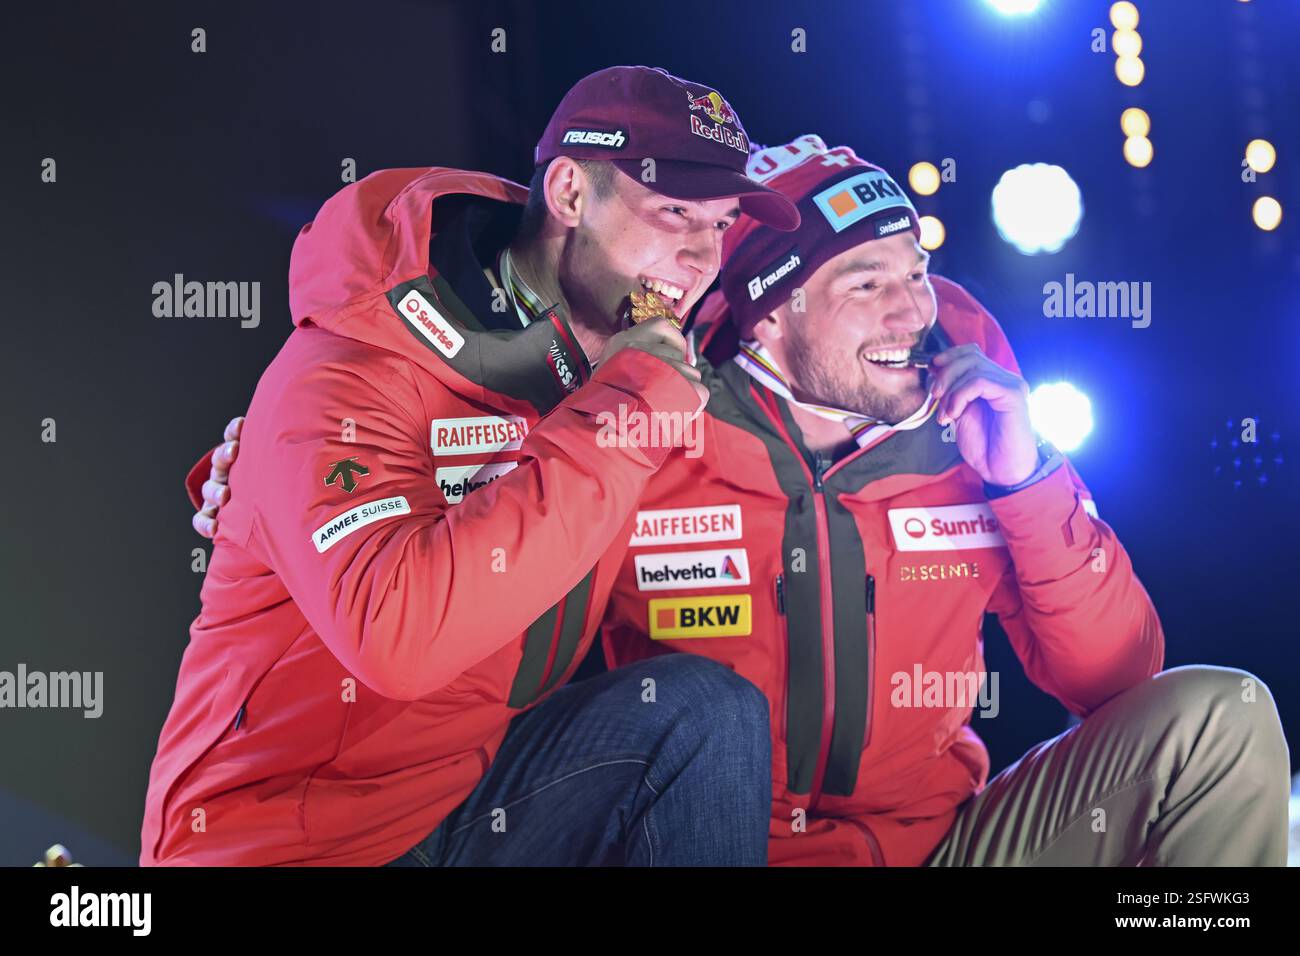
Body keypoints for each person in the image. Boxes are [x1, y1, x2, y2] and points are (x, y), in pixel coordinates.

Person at [195, 136, 1292, 867]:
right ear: (765, 318)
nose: (914, 307)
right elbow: (450, 487)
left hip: (942, 846)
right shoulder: (647, 422)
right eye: (864, 282)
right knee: (691, 711)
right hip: (725, 848)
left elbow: (1113, 676)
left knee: (1219, 717)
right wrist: (244, 483)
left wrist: (1029, 482)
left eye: (914, 267)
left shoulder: (977, 412)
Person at [143, 65, 800, 867]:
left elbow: (812, 364)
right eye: (673, 212)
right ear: (567, 192)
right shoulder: (346, 371)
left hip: (469, 803)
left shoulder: (618, 364)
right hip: (284, 838)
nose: (702, 256)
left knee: (705, 712)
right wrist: (628, 413)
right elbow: (398, 642)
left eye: (721, 222)